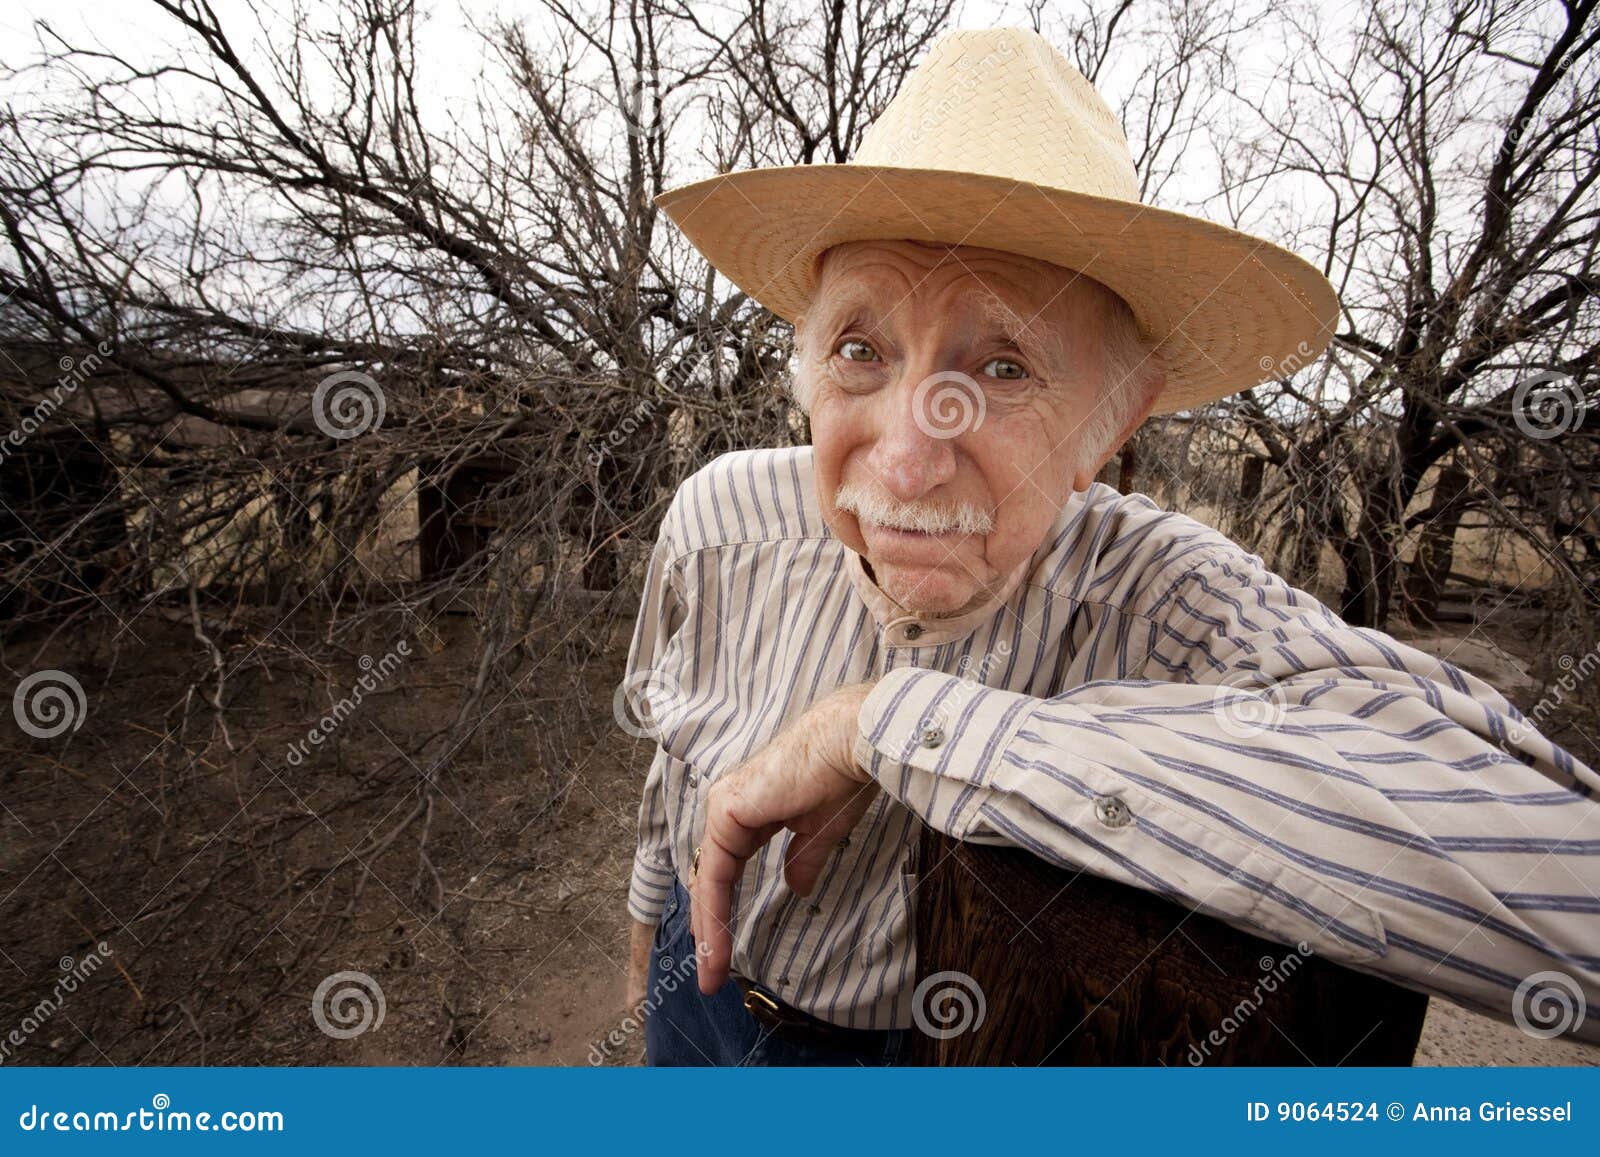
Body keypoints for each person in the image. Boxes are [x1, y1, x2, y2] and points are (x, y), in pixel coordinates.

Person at [619, 26, 1600, 1065]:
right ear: (807, 371)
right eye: (859, 349)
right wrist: (644, 961)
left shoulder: (1162, 596)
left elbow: (1566, 875)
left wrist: (883, 722)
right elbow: (671, 759)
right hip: (696, 991)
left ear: (1110, 421)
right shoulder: (717, 520)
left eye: (1003, 367)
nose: (905, 462)